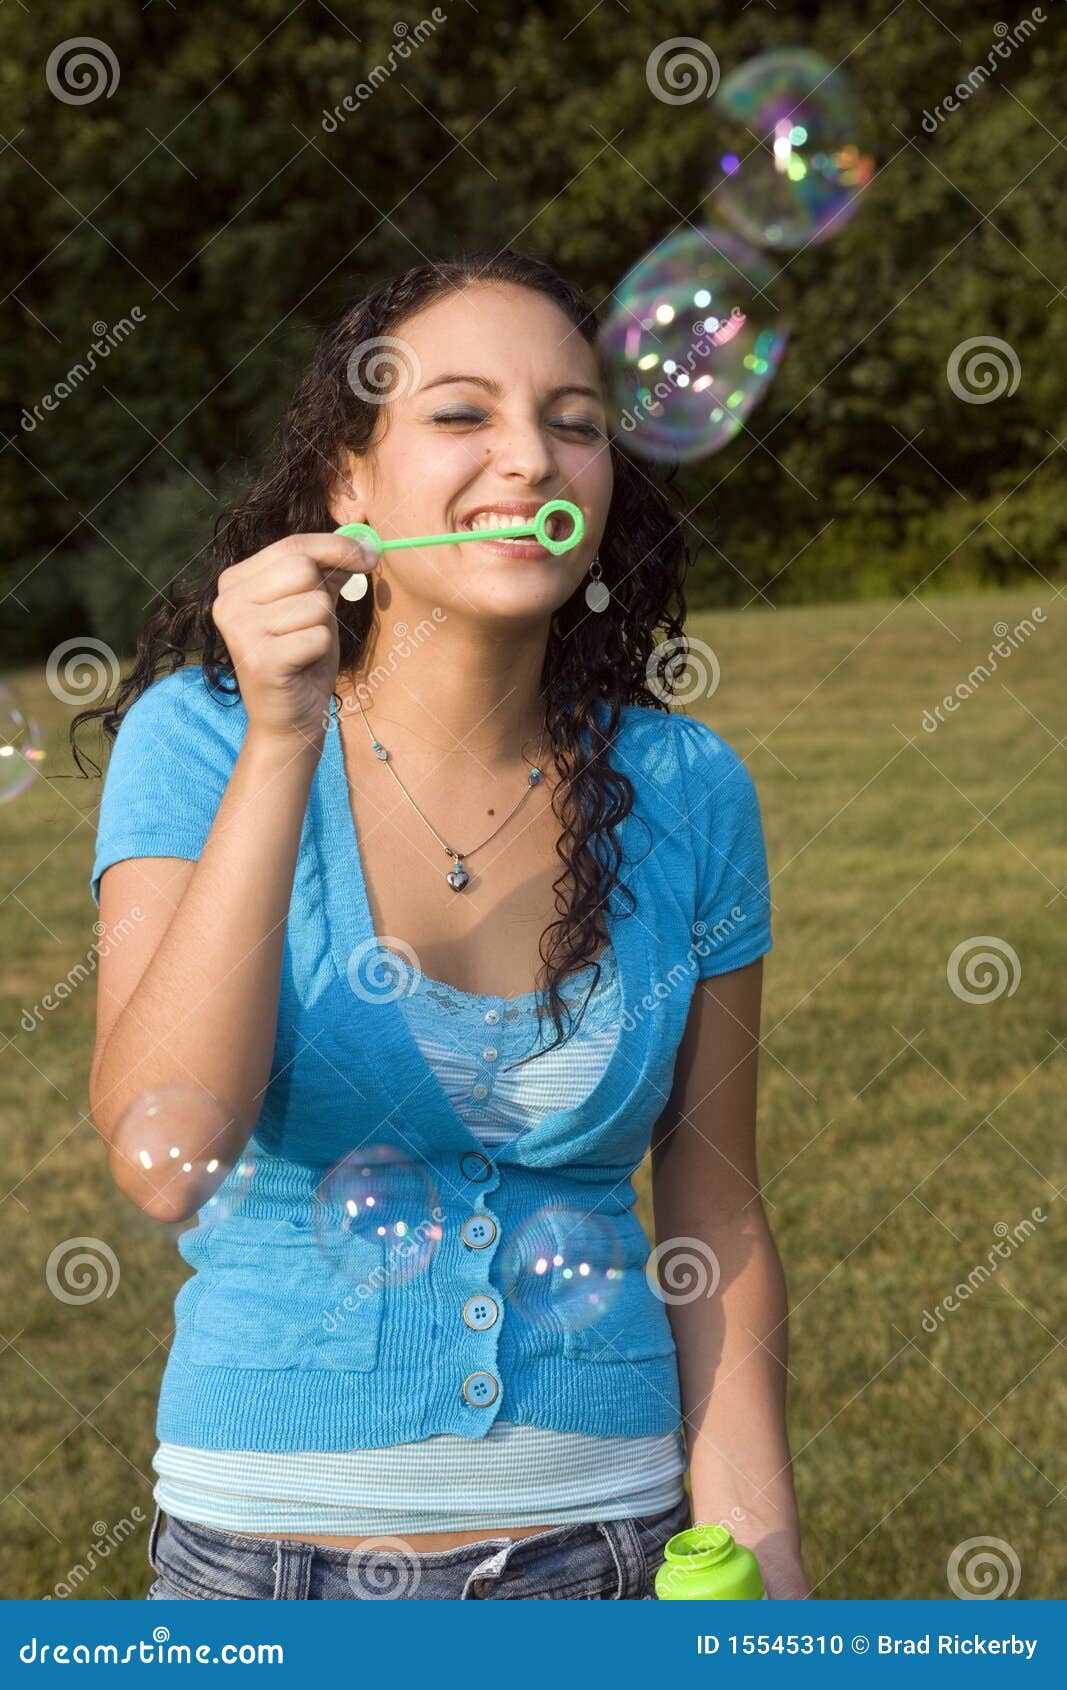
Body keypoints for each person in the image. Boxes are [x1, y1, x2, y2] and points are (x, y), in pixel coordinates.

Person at [76, 248, 810, 1601]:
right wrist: (284, 739)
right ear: (350, 485)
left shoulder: (689, 788)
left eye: (573, 421)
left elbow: (721, 1216)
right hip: (264, 1559)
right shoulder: (203, 739)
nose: (528, 457)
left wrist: (769, 1567)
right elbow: (165, 1155)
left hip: (611, 1548)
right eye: (463, 414)